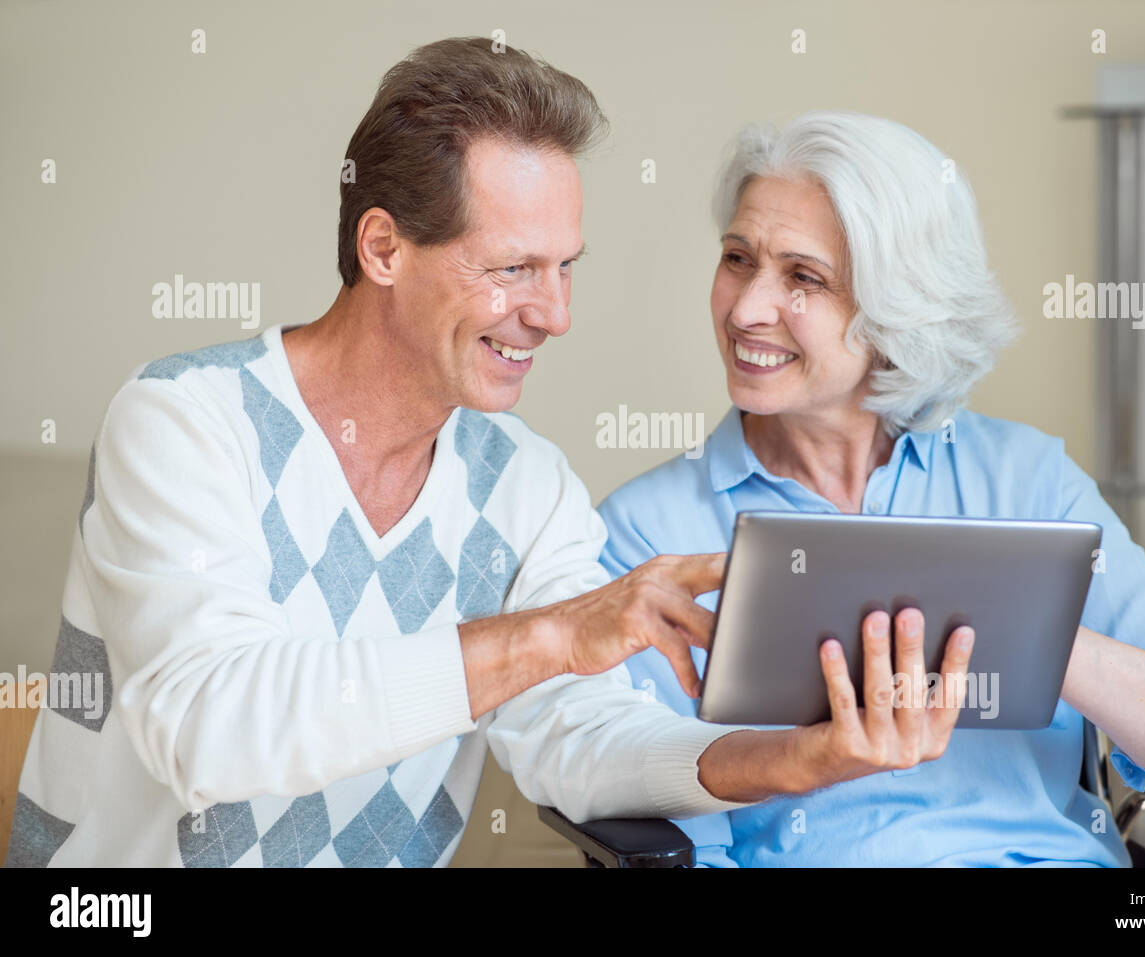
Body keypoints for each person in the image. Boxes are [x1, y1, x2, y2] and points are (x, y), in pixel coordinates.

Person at [6, 37, 777, 868]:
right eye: (513, 267)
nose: (554, 314)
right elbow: (208, 724)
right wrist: (542, 637)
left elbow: (581, 736)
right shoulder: (183, 422)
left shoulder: (528, 485)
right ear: (383, 248)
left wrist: (790, 756)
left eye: (563, 269)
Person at [597, 111, 1145, 866]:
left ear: (899, 307)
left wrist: (1030, 633)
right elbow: (642, 798)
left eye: (803, 277)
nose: (744, 308)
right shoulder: (644, 532)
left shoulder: (1027, 479)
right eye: (737, 258)